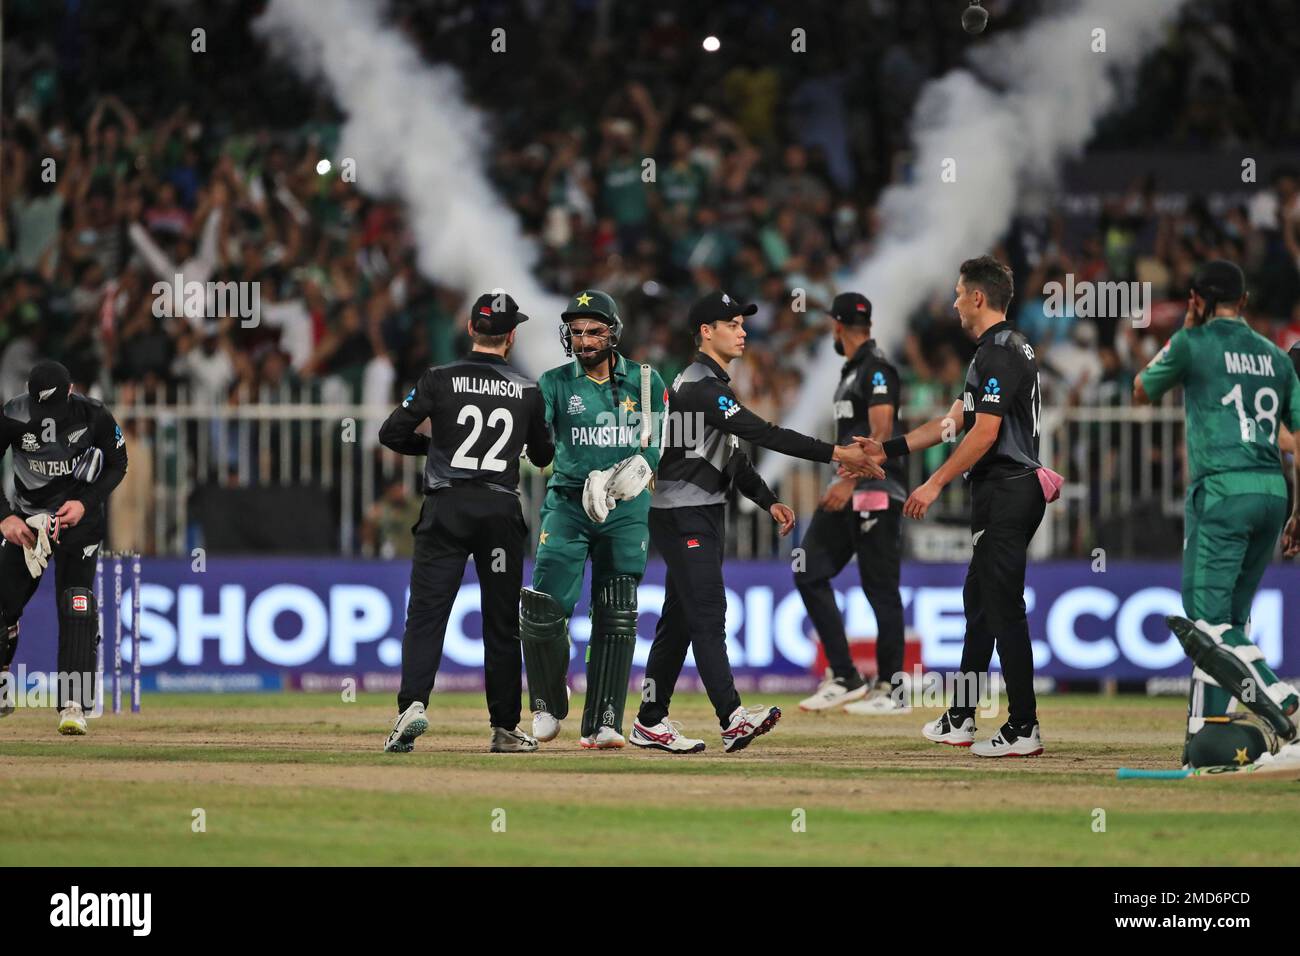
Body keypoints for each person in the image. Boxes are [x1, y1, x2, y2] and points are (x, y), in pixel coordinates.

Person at [630, 291, 882, 754]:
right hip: (685, 514)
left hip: (691, 511)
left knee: (680, 620)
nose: (742, 331)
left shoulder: (702, 383)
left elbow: (729, 455)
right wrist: (836, 452)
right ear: (706, 332)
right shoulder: (702, 387)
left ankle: (650, 719)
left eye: (742, 323)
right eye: (731, 324)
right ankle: (731, 717)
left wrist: (767, 501)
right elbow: (762, 433)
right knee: (707, 612)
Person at [859, 257, 1053, 757]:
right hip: (1001, 490)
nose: (954, 303)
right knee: (981, 606)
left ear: (978, 299)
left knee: (1004, 607)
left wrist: (934, 483)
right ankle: (963, 717)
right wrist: (890, 449)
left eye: (958, 294)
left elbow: (985, 433)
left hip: (1009, 488)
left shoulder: (1001, 353)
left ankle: (1023, 726)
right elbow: (954, 422)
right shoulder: (995, 351)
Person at [1135, 260, 1300, 764]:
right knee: (1231, 621)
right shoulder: (1277, 357)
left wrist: (1182, 334)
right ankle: (1207, 726)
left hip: (1223, 492)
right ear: (1244, 302)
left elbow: (1141, 389)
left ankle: (1286, 704)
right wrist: (1299, 513)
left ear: (1196, 302)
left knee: (1205, 622)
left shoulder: (1194, 343)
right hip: (1274, 492)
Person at [378, 292, 554, 754]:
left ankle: (412, 707)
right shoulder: (528, 389)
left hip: (446, 507)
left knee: (427, 614)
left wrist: (436, 450)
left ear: (471, 329)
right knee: (501, 625)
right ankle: (503, 728)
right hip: (498, 511)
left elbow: (391, 433)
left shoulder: (439, 377)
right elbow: (543, 454)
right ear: (511, 335)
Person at [520, 290, 666, 750]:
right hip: (567, 502)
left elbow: (655, 444)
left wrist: (638, 470)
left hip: (625, 509)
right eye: (576, 331)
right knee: (544, 606)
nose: (584, 340)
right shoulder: (554, 382)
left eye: (594, 331)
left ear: (614, 333)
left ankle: (604, 719)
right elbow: (537, 440)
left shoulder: (646, 381)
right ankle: (546, 701)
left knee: (617, 611)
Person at [794, 292, 909, 715]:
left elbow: (881, 428)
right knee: (808, 568)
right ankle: (844, 675)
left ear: (837, 327)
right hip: (853, 490)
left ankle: (893, 690)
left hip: (877, 492)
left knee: (881, 589)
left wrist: (847, 479)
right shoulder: (854, 372)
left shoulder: (877, 368)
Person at [0, 360, 128, 734]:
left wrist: (86, 503)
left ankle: (73, 705)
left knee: (77, 605)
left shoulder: (95, 415)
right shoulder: (13, 413)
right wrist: (5, 517)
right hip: (27, 524)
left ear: (71, 391)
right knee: (3, 603)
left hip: (77, 524)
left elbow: (118, 463)